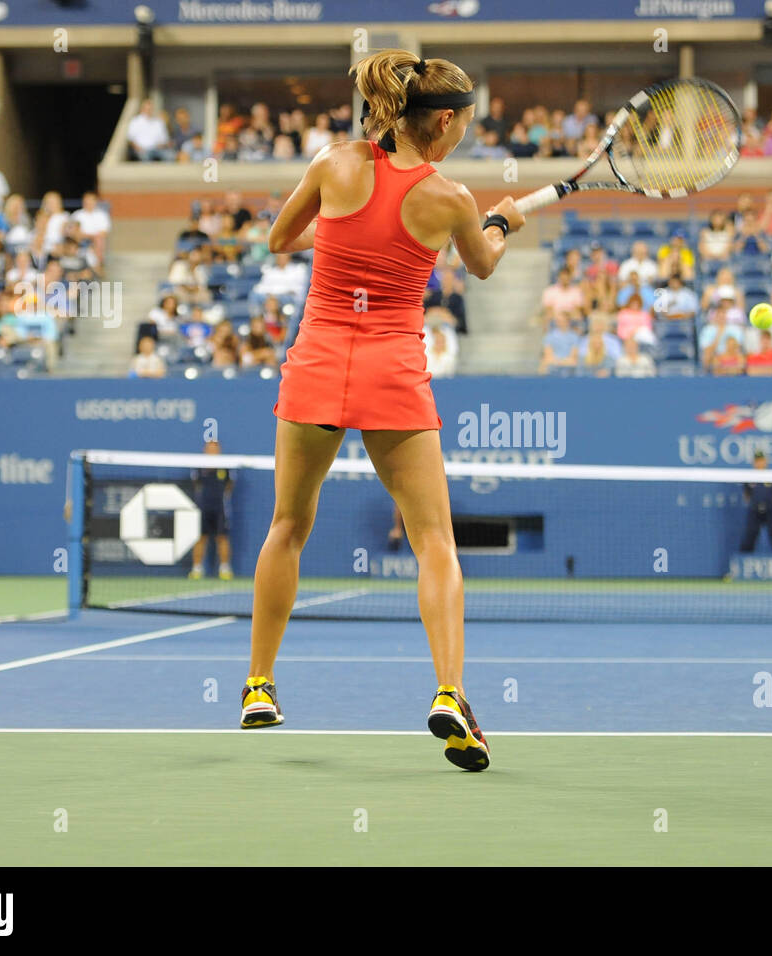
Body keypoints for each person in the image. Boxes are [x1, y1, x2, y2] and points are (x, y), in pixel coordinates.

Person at [253, 50, 523, 771]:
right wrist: (503, 221)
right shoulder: (451, 197)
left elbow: (281, 239)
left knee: (287, 525)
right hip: (391, 374)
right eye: (466, 120)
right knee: (434, 539)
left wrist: (341, 238)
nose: (466, 129)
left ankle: (258, 684)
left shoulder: (334, 164)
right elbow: (482, 263)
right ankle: (448, 692)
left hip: (316, 366)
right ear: (444, 119)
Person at [189, 441, 235, 581]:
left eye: (215, 448)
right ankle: (196, 569)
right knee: (201, 538)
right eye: (210, 448)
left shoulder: (226, 467)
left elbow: (229, 486)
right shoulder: (199, 467)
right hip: (203, 508)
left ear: (219, 450)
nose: (212, 450)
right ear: (205, 450)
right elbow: (196, 485)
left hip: (220, 509)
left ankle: (225, 569)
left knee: (222, 538)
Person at [737, 450, 772, 559]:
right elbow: (747, 495)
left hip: (770, 510)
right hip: (754, 511)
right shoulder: (749, 478)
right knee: (749, 537)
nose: (759, 463)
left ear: (766, 461)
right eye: (757, 461)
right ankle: (743, 563)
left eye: (761, 461)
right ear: (753, 462)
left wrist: (770, 504)